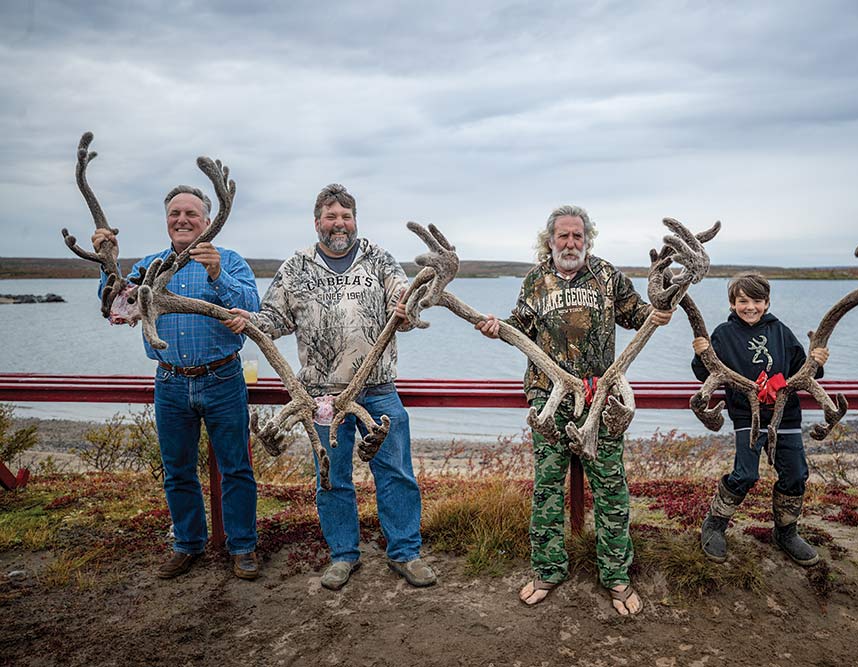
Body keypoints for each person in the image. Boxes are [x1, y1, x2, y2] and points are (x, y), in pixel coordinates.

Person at [226, 183, 435, 590]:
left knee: (395, 473)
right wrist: (248, 321)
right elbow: (273, 318)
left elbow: (403, 299)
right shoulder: (296, 267)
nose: (339, 223)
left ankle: (405, 553)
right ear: (317, 221)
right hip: (321, 396)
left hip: (377, 388)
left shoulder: (378, 259)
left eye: (346, 216)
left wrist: (407, 309)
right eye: (331, 216)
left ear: (355, 220)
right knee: (331, 477)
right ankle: (343, 556)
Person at [477, 205, 672, 616]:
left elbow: (635, 314)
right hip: (549, 401)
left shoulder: (607, 275)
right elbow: (519, 327)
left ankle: (616, 575)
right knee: (547, 488)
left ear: (587, 240)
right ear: (549, 241)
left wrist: (659, 311)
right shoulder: (535, 281)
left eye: (577, 236)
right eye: (562, 236)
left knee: (611, 489)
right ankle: (548, 570)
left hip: (600, 399)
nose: (570, 243)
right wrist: (497, 328)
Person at [92, 185, 261, 580]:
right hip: (170, 383)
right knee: (178, 470)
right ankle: (187, 544)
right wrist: (107, 261)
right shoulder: (149, 266)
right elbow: (114, 305)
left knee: (236, 468)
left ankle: (243, 547)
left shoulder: (230, 260)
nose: (183, 220)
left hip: (222, 378)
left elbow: (252, 308)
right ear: (167, 220)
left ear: (206, 221)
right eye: (175, 214)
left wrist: (217, 273)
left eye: (191, 214)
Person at [691, 271, 830, 566]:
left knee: (795, 474)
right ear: (732, 303)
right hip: (746, 414)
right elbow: (705, 373)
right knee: (746, 474)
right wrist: (701, 354)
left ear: (766, 303)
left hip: (785, 415)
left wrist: (816, 361)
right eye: (743, 301)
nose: (750, 307)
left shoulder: (780, 331)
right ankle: (714, 524)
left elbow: (804, 371)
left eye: (756, 300)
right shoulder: (723, 335)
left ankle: (786, 532)